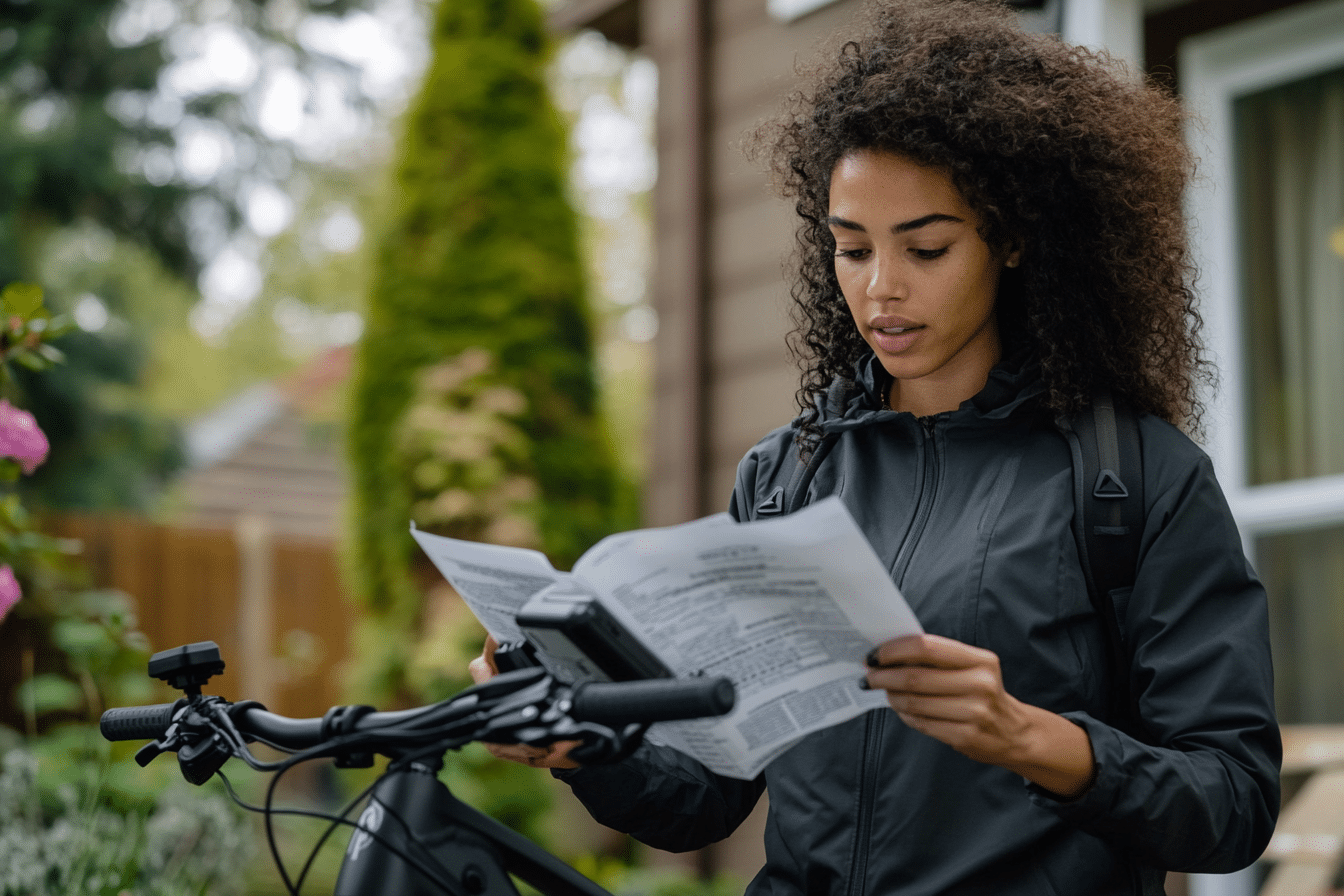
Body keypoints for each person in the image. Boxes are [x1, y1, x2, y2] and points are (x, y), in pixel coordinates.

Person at [469, 0, 1282, 892]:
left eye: (926, 249)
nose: (882, 290)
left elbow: (1231, 804)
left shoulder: (1135, 481)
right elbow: (707, 797)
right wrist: (581, 744)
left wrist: (1033, 738)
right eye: (851, 250)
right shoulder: (783, 479)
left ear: (1011, 239)